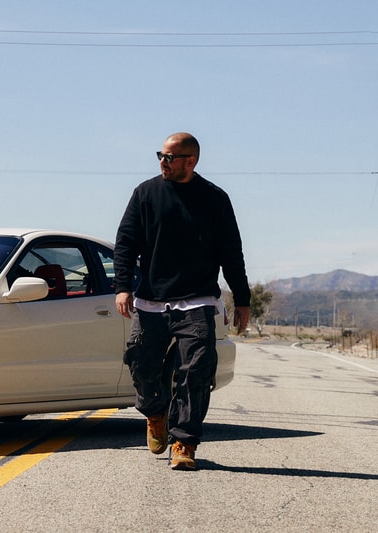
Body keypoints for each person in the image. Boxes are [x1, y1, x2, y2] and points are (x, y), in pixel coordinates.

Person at [113, 132, 251, 471]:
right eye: (160, 155)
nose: (162, 161)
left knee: (196, 372)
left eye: (169, 157)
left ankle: (184, 442)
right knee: (141, 364)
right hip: (151, 302)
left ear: (190, 161)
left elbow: (231, 253)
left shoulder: (215, 199)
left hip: (198, 301)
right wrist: (122, 286)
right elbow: (126, 243)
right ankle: (155, 413)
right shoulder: (145, 194)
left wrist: (242, 299)